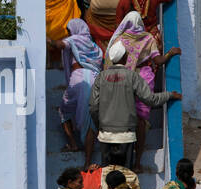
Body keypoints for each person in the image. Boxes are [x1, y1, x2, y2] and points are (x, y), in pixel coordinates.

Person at [106, 13, 180, 172]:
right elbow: (158, 61)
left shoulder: (120, 40)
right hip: (144, 80)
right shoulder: (148, 38)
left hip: (124, 83)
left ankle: (118, 163)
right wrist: (170, 53)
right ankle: (138, 163)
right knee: (140, 123)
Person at [87, 53, 180, 170]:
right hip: (126, 135)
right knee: (127, 176)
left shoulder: (101, 77)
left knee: (107, 175)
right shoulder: (132, 76)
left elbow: (93, 106)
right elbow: (150, 99)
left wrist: (101, 125)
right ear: (125, 58)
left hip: (106, 136)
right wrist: (169, 95)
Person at [56, 18, 103, 161]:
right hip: (95, 80)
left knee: (64, 112)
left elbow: (60, 45)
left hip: (79, 78)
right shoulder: (95, 47)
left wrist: (49, 41)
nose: (68, 33)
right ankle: (88, 160)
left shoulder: (73, 40)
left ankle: (72, 143)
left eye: (69, 30)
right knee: (90, 119)